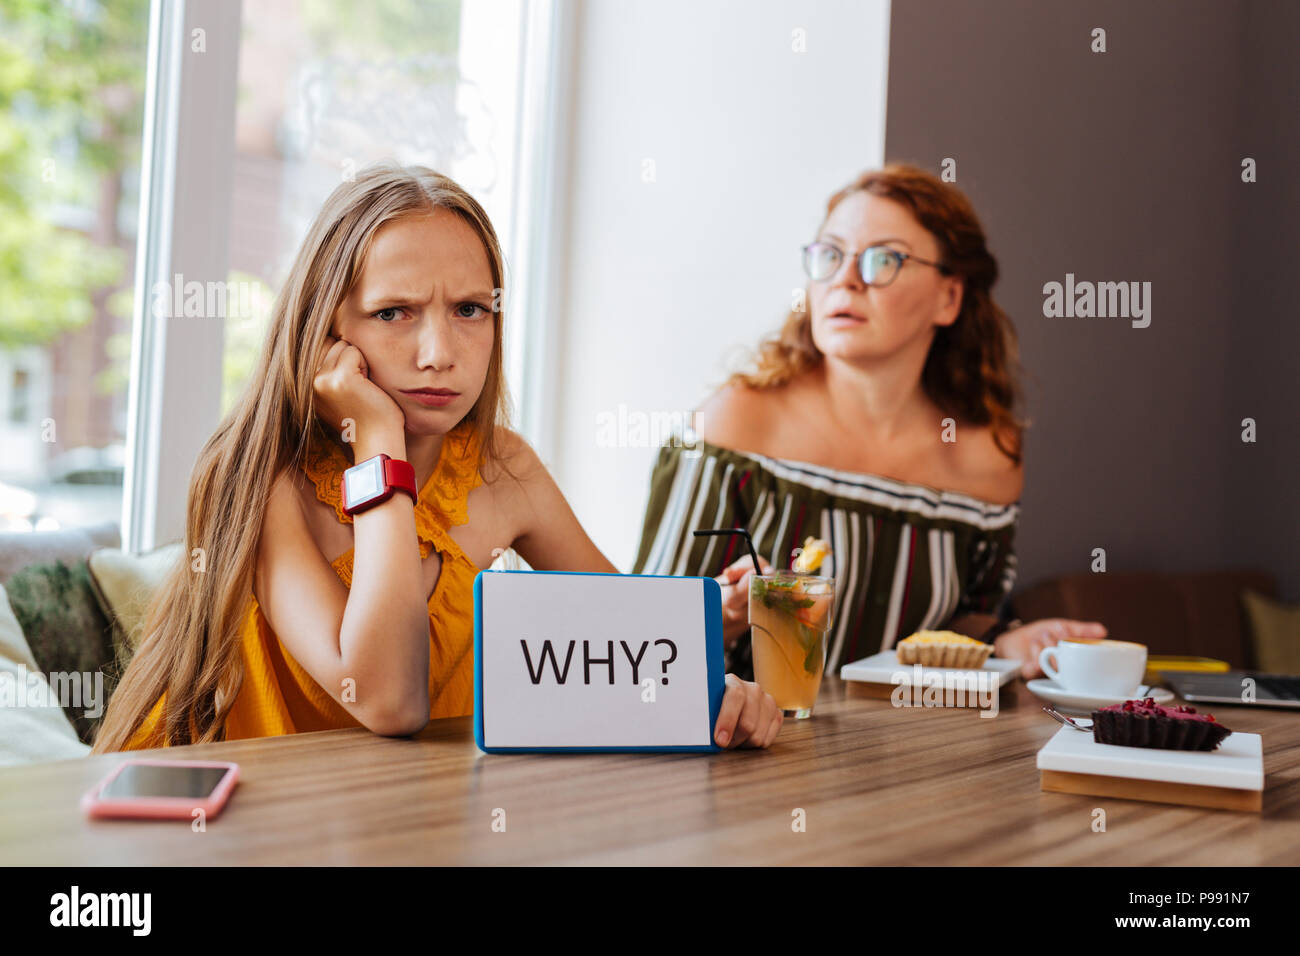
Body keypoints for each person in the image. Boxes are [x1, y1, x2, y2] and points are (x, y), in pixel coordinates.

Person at [93, 162, 779, 753]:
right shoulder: (255, 475)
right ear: (328, 328)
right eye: (394, 313)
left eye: (471, 310)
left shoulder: (504, 470)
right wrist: (378, 442)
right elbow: (388, 699)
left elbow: (626, 655)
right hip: (237, 827)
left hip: (409, 824)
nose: (439, 353)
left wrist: (705, 637)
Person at [632, 163, 1105, 681]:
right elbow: (648, 639)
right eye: (831, 255)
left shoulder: (987, 455)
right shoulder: (737, 422)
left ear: (949, 298)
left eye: (884, 259)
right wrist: (723, 616)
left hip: (913, 752)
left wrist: (1013, 641)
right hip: (747, 750)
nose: (847, 279)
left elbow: (961, 632)